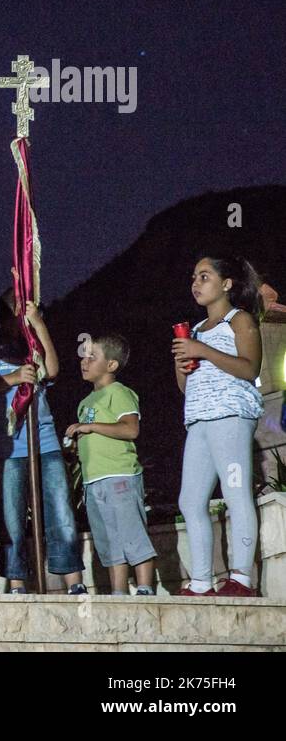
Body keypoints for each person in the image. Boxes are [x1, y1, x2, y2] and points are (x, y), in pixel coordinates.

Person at [0, 286, 87, 595]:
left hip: (43, 439)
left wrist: (40, 326)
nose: (28, 311)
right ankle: (16, 582)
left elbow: (53, 370)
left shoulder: (33, 344)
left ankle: (73, 580)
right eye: (21, 308)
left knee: (61, 511)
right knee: (11, 519)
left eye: (32, 308)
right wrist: (13, 378)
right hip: (4, 445)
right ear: (6, 315)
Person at [171, 256, 265, 597]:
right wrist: (184, 362)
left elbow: (250, 368)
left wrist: (203, 350)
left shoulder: (239, 320)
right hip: (198, 419)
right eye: (194, 276)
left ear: (226, 283)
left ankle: (241, 578)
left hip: (231, 417)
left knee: (235, 493)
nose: (196, 283)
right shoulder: (195, 330)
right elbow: (186, 387)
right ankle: (200, 582)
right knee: (190, 501)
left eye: (205, 276)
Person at [66, 334, 156, 595]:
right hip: (93, 480)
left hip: (120, 476)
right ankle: (118, 592)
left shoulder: (119, 392)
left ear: (112, 365)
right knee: (109, 539)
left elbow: (130, 429)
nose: (85, 361)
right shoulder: (85, 403)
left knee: (132, 531)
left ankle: (144, 587)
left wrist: (90, 427)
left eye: (92, 357)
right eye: (83, 355)